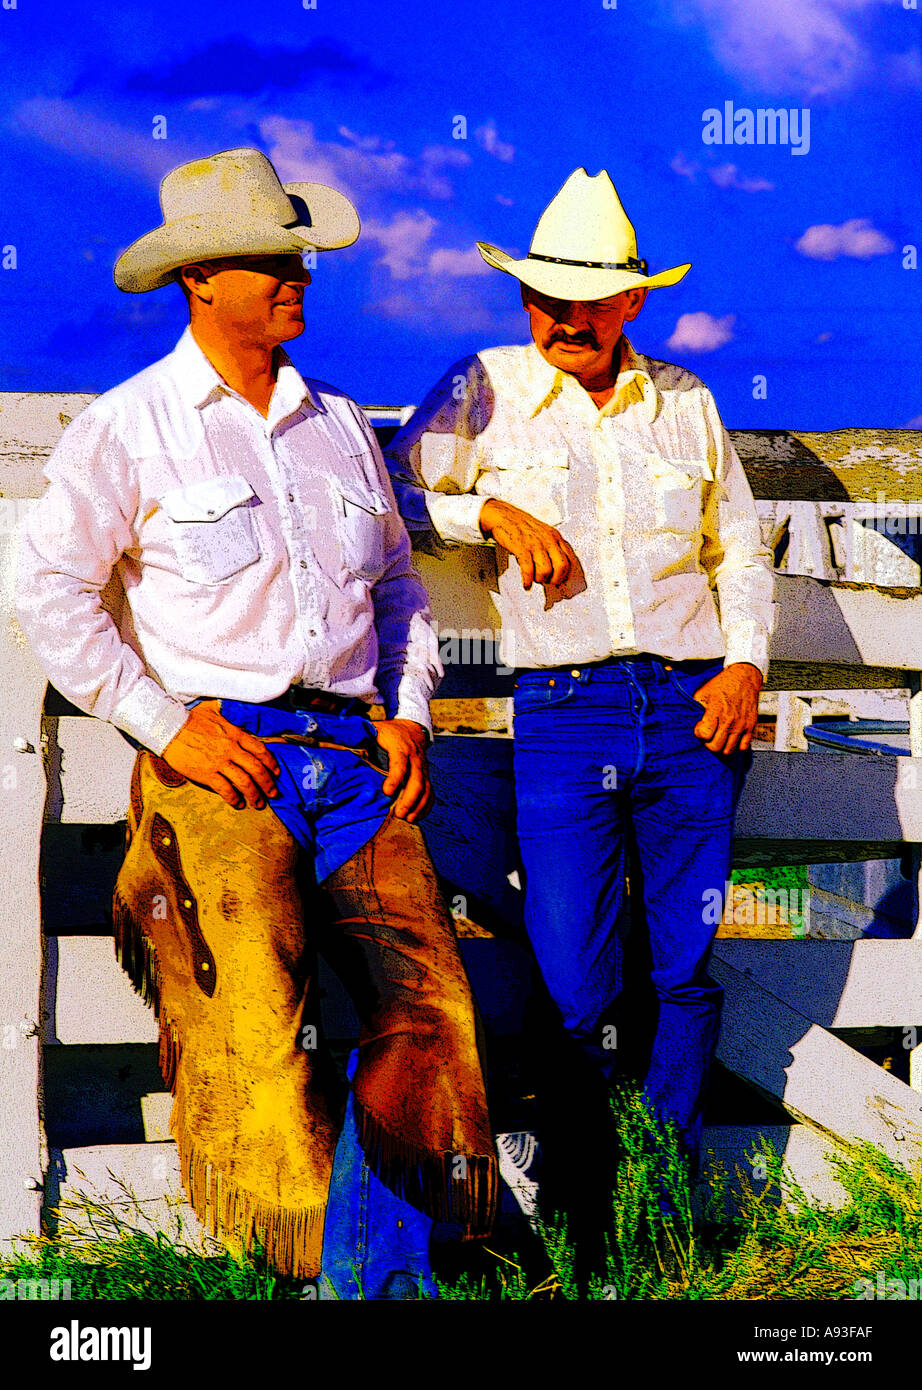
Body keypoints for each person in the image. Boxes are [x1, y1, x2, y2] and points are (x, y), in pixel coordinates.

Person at [15, 147, 496, 1299]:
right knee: (256, 1033)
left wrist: (409, 712)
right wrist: (163, 724)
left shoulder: (337, 424)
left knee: (427, 1010)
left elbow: (395, 588)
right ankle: (311, 1277)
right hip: (220, 760)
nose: (300, 277)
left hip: (353, 755)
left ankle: (377, 1279)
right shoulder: (130, 428)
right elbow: (51, 592)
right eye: (273, 261)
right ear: (202, 281)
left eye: (297, 257)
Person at [383, 167, 775, 1250]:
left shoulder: (686, 403)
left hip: (697, 707)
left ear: (629, 304)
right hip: (563, 709)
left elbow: (736, 546)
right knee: (574, 977)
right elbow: (390, 496)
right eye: (541, 298)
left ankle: (657, 1225)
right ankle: (578, 1222)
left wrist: (745, 664)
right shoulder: (483, 387)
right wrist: (487, 509)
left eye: (583, 301)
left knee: (682, 971)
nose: (558, 319)